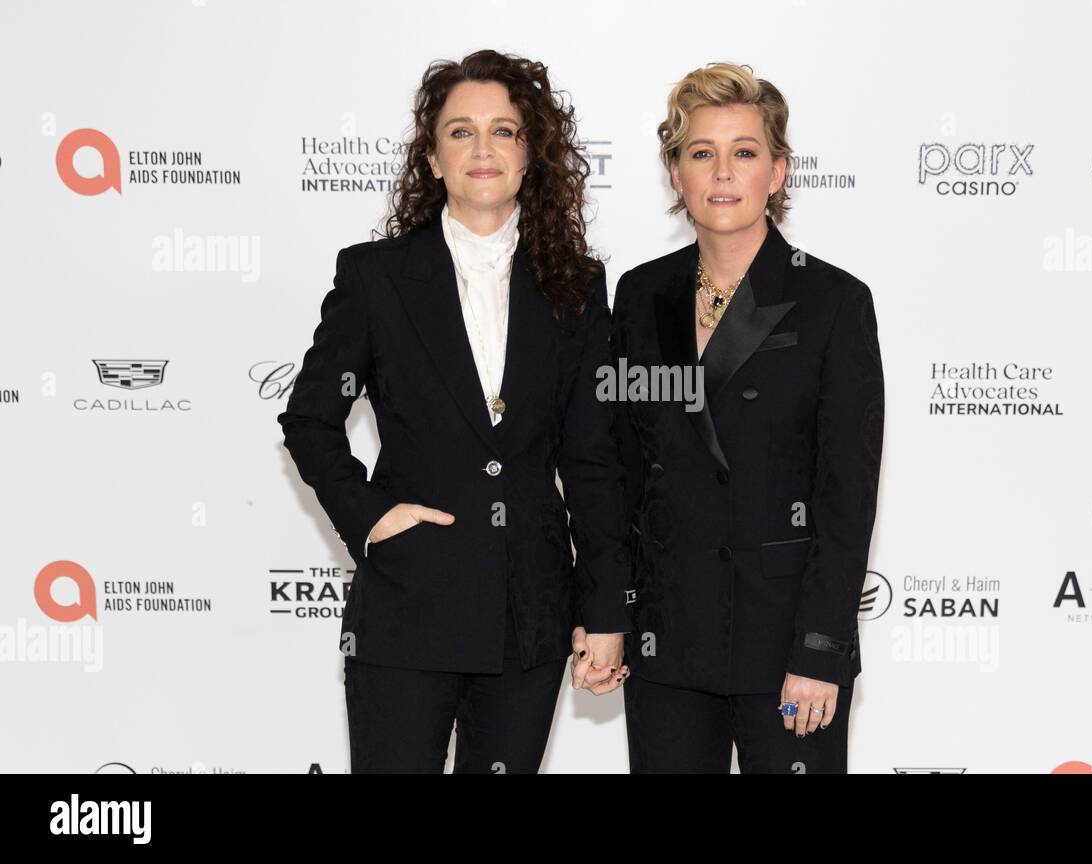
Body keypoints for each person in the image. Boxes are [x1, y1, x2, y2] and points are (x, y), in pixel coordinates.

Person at [277, 49, 631, 773]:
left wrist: (604, 611)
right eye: (461, 131)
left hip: (528, 614)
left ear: (531, 154)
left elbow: (591, 461)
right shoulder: (376, 278)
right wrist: (372, 517)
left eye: (504, 130)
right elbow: (309, 419)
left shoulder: (576, 284)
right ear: (432, 158)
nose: (483, 148)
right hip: (410, 604)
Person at [609, 62, 885, 772]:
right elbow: (621, 472)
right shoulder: (641, 297)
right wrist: (610, 612)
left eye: (745, 152)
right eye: (701, 152)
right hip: (668, 643)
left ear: (779, 171)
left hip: (785, 647)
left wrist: (820, 652)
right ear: (676, 174)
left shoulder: (833, 302)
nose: (722, 172)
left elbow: (844, 497)